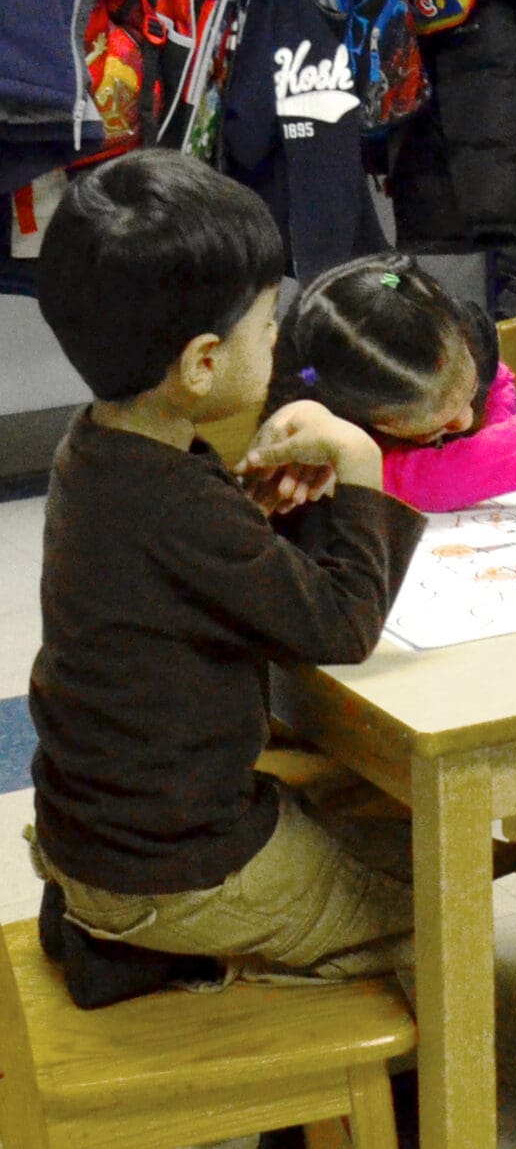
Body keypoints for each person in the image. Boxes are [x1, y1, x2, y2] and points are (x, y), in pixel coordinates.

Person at [26, 149, 426, 992]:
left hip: (101, 834)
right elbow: (343, 628)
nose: (277, 334)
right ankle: (196, 962)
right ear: (204, 362)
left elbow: (176, 552)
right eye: (269, 317)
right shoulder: (176, 504)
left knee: (386, 838)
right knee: (438, 903)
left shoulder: (96, 446)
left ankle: (141, 940)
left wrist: (245, 504)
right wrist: (358, 458)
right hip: (174, 864)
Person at [262, 253, 516, 513]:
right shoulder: (330, 430)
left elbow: (499, 388)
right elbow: (423, 480)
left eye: (467, 392)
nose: (462, 420)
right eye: (436, 425)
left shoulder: (459, 338)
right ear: (360, 415)